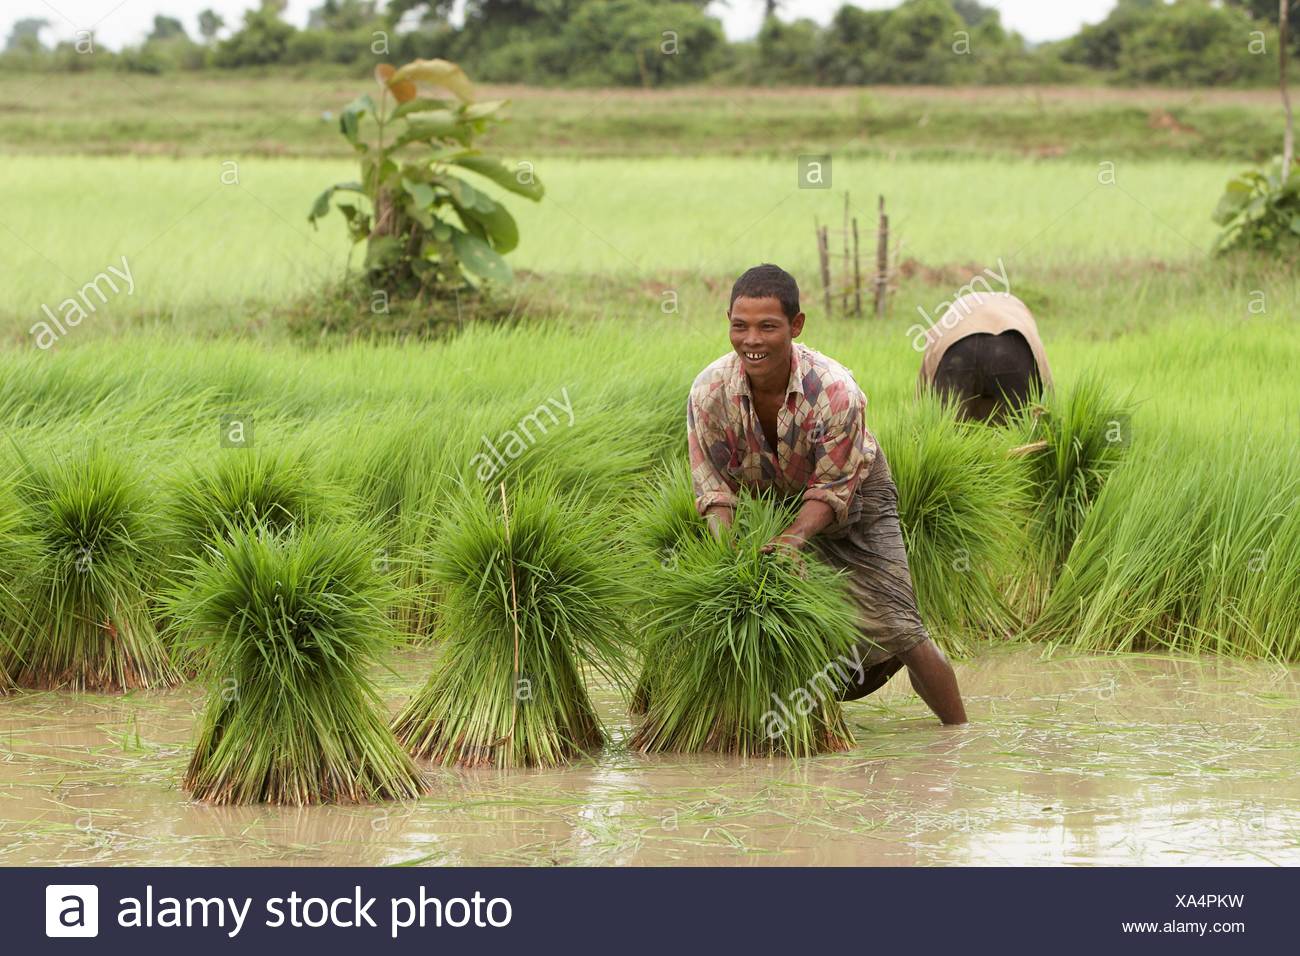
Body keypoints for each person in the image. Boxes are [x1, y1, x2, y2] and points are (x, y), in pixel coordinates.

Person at [687, 263, 968, 725]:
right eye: (740, 326)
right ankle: (785, 728)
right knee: (773, 611)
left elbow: (833, 489)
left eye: (767, 327)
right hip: (775, 496)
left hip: (858, 497)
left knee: (900, 627)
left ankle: (958, 737)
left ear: (796, 326)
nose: (752, 340)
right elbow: (715, 489)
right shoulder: (708, 393)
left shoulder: (836, 392)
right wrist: (730, 557)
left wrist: (789, 541)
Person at [916, 292, 1053, 424]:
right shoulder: (1018, 310)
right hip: (1014, 350)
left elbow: (924, 385)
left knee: (946, 431)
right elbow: (1045, 377)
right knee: (1020, 433)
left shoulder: (958, 310)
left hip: (958, 352)